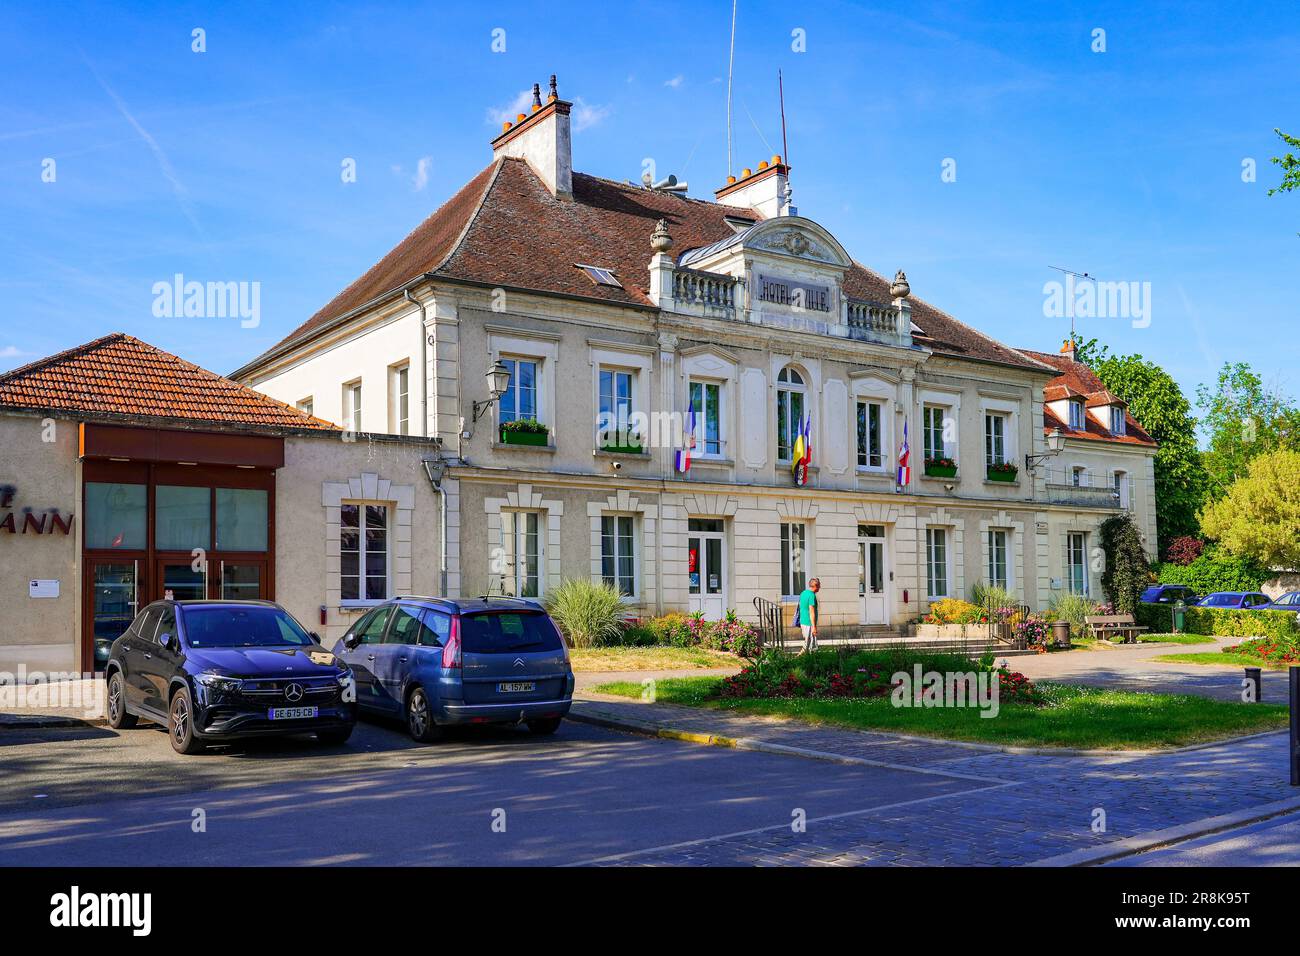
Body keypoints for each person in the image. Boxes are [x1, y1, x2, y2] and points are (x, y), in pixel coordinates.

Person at [797, 578, 820, 653]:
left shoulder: (803, 593)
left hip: (803, 622)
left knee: (807, 643)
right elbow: (811, 612)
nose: (820, 587)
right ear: (815, 586)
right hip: (809, 623)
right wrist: (814, 627)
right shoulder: (811, 595)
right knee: (812, 646)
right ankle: (798, 660)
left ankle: (800, 659)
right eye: (819, 585)